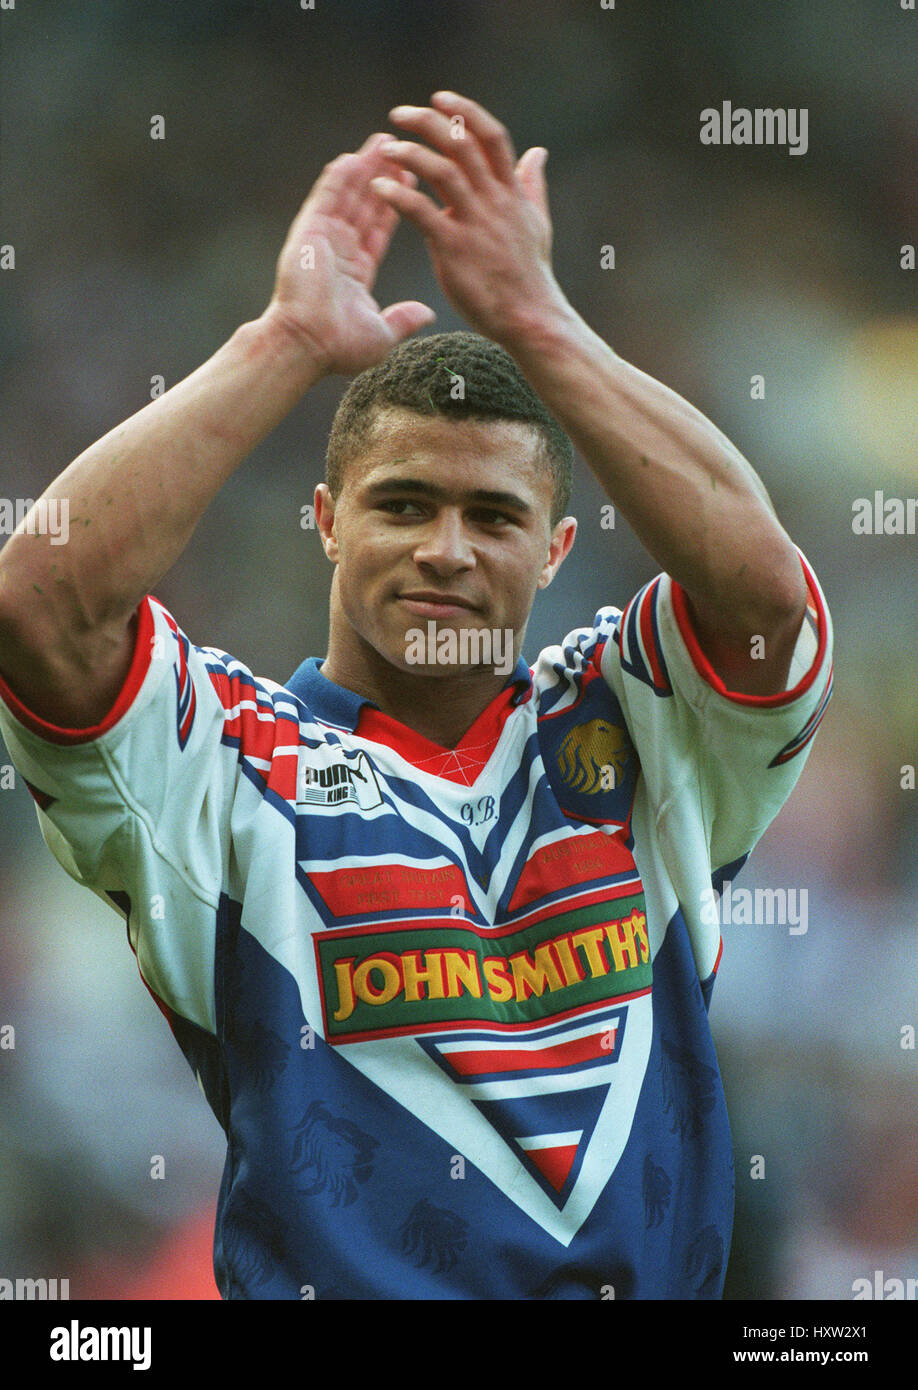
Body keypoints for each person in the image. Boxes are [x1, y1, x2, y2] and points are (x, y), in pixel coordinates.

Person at [0, 92, 832, 1299]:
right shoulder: (222, 760)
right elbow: (39, 603)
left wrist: (542, 322)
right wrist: (285, 339)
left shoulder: (640, 716)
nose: (447, 549)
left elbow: (765, 598)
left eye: (494, 515)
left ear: (555, 549)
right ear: (327, 521)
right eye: (402, 504)